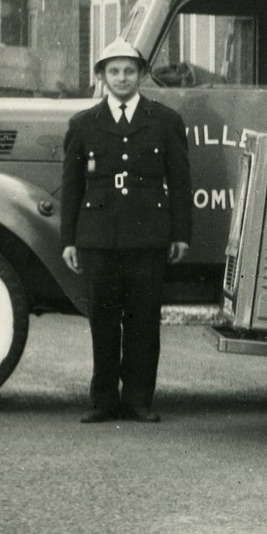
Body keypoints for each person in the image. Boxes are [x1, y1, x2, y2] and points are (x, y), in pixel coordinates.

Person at [60, 37, 193, 424]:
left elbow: (180, 182)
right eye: (114, 71)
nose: (122, 78)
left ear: (141, 75)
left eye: (129, 71)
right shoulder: (83, 124)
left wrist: (180, 233)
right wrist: (69, 238)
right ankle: (103, 401)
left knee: (143, 321)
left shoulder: (166, 121)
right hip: (98, 238)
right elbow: (72, 186)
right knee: (102, 321)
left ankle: (138, 399)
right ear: (102, 76)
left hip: (148, 237)